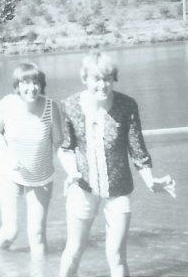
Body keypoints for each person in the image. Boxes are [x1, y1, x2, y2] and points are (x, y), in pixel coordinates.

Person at [58, 53, 175, 277]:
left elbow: (137, 149)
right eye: (97, 79)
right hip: (82, 186)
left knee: (117, 255)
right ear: (85, 79)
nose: (103, 85)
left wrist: (151, 180)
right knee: (74, 250)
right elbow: (65, 148)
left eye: (108, 79)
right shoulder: (70, 106)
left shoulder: (126, 105)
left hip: (119, 187)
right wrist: (72, 172)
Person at [0, 62, 62, 259]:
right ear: (17, 85)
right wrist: (7, 153)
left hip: (41, 175)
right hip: (9, 172)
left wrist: (45, 160)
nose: (32, 87)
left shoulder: (50, 107)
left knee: (37, 235)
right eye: (26, 82)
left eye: (36, 82)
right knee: (10, 231)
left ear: (42, 84)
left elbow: (59, 141)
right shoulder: (6, 104)